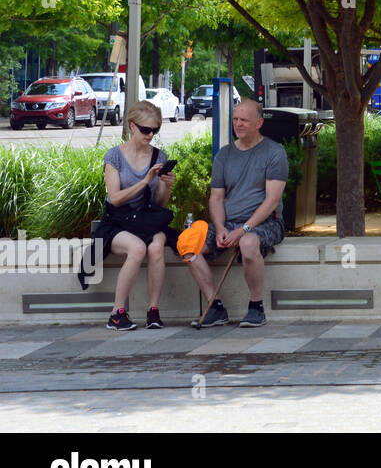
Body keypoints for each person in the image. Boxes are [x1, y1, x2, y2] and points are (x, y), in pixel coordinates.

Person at [190, 101, 288, 328]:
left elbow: (272, 200)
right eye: (235, 119)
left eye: (244, 120)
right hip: (229, 222)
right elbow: (216, 197)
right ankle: (215, 306)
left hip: (265, 222)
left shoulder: (275, 152)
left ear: (259, 123)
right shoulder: (224, 155)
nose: (238, 124)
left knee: (248, 243)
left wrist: (243, 229)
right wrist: (222, 227)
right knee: (189, 244)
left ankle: (256, 307)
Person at [99, 101, 177, 331]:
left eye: (155, 130)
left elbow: (159, 203)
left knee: (156, 246)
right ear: (132, 126)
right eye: (145, 129)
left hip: (145, 219)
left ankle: (153, 311)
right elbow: (114, 198)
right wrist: (144, 181)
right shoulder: (114, 157)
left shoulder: (159, 156)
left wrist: (166, 185)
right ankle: (117, 313)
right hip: (117, 221)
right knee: (138, 248)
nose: (150, 135)